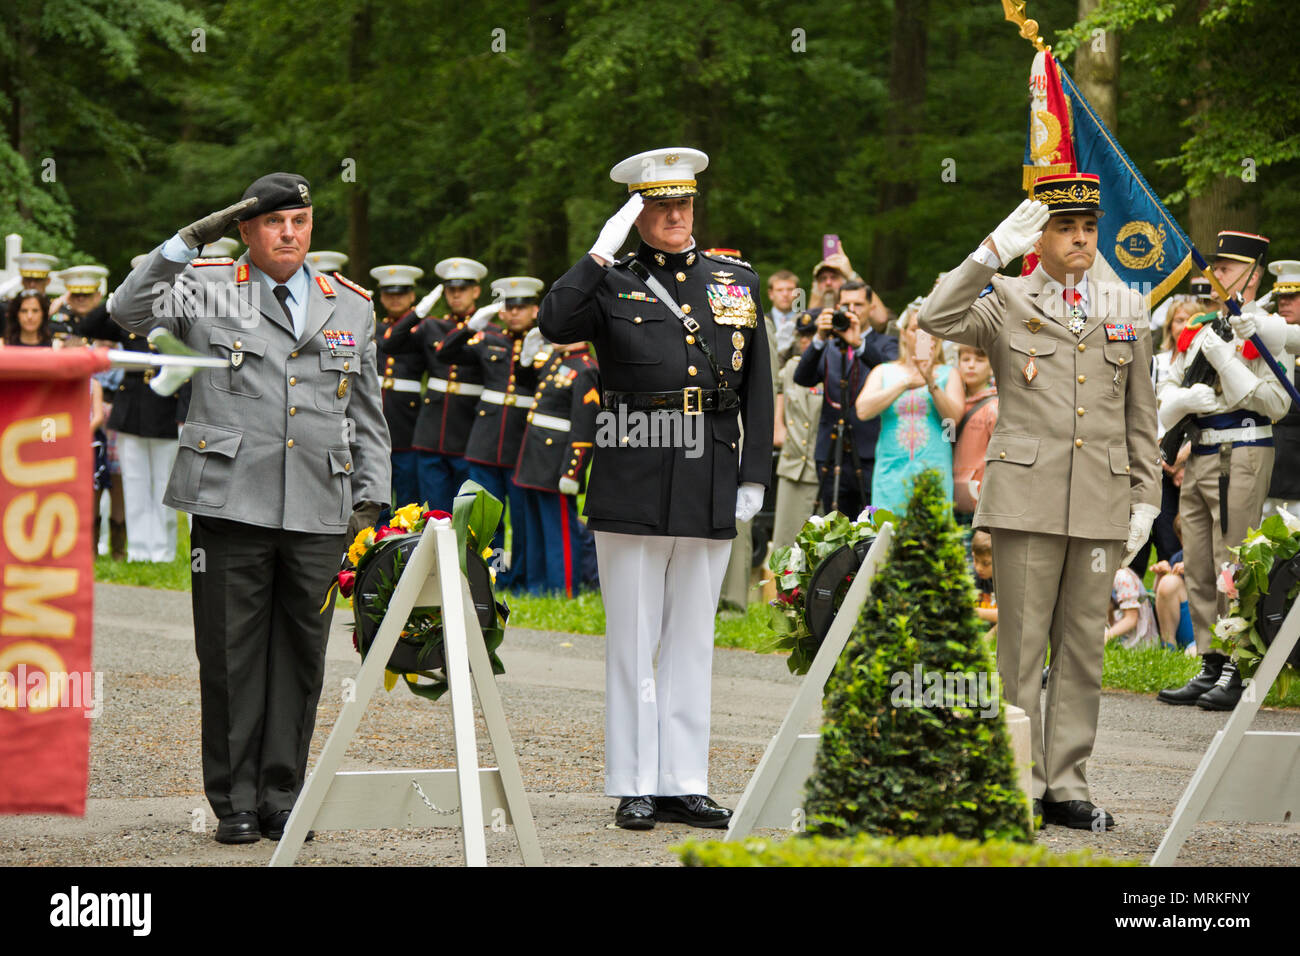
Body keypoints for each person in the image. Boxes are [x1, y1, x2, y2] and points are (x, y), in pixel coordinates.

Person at [108, 172, 390, 844]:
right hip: (231, 500)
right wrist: (186, 239)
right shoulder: (207, 288)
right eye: (272, 223)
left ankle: (281, 795)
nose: (287, 234)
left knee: (301, 655)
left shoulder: (347, 303)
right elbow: (127, 309)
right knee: (231, 654)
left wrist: (373, 497)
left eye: (298, 221)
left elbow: (368, 413)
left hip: (321, 505)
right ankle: (233, 801)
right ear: (244, 229)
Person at [538, 147, 773, 831]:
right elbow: (554, 321)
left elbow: (757, 381)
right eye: (658, 204)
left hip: (709, 471)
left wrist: (753, 473)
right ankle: (635, 780)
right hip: (634, 466)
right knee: (633, 637)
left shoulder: (734, 280)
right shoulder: (611, 280)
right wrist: (600, 250)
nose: (674, 214)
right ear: (638, 211)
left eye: (683, 202)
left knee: (693, 637)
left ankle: (683, 780)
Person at [919, 173, 1160, 830]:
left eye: (1088, 228)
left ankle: (1066, 783)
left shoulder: (1126, 306)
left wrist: (1147, 498)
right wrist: (989, 252)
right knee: (1021, 648)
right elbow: (935, 317)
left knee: (1084, 647)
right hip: (1027, 497)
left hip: (1102, 499)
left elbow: (1142, 411)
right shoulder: (1005, 297)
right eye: (1065, 227)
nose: (1080, 239)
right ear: (1041, 236)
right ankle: (1013, 778)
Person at [1156, 231, 1290, 710]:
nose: (1218, 276)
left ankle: (1239, 663)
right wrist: (1182, 401)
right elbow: (1167, 385)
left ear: (1253, 275)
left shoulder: (1266, 330)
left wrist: (1227, 361)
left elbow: (1276, 404)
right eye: (1216, 267)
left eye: (1230, 268)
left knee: (1232, 563)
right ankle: (1211, 661)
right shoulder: (1201, 326)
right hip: (1200, 453)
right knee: (1196, 560)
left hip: (1244, 450)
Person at [437, 276, 544, 588]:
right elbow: (445, 355)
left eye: (521, 307)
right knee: (486, 520)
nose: (514, 313)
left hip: (524, 444)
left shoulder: (545, 343)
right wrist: (470, 327)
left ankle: (520, 577)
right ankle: (490, 573)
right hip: (485, 442)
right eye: (508, 307)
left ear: (535, 309)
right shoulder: (489, 338)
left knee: (522, 520)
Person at [379, 257, 488, 513]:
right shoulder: (431, 327)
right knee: (433, 513)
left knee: (468, 512)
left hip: (468, 427)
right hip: (433, 429)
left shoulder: (489, 329)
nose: (456, 295)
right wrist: (417, 313)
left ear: (476, 291)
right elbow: (391, 344)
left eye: (462, 289)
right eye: (451, 290)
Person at [793, 279, 899, 518]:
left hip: (871, 451)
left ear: (872, 307)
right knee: (835, 526)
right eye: (846, 304)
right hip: (831, 450)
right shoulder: (827, 346)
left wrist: (858, 344)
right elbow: (802, 378)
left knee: (873, 524)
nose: (852, 310)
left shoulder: (886, 343)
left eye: (859, 304)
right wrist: (819, 339)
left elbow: (891, 374)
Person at [855, 302, 964, 516]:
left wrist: (931, 383)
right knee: (886, 539)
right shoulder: (884, 371)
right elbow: (863, 410)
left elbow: (953, 419)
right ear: (904, 334)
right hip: (891, 474)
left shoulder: (948, 373)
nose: (923, 335)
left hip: (933, 472)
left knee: (932, 541)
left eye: (929, 329)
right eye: (916, 329)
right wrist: (904, 384)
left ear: (937, 337)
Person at [512, 335, 600, 596]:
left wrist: (572, 471)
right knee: (536, 527)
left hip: (557, 462)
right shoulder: (555, 359)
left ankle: (562, 587)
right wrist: (526, 359)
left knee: (558, 530)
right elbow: (526, 384)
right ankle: (537, 585)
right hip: (535, 456)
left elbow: (585, 427)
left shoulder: (586, 368)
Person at [368, 263, 427, 514]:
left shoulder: (424, 329)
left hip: (408, 424)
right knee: (374, 498)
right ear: (381, 297)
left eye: (401, 294)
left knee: (407, 500)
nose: (395, 299)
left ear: (412, 296)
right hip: (375, 421)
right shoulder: (371, 328)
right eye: (390, 294)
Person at [771, 311, 823, 551]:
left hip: (819, 467)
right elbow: (778, 408)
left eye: (811, 334)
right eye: (802, 335)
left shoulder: (832, 367)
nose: (805, 340)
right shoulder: (792, 368)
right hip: (792, 467)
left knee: (820, 548)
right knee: (785, 548)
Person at [1263, 259, 1300, 522]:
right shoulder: (1269, 345)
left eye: (1293, 296)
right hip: (1269, 457)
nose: (1284, 303)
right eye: (1281, 297)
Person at [952, 344, 998, 522]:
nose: (971, 365)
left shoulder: (994, 406)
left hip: (979, 503)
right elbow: (948, 439)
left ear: (992, 367)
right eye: (965, 359)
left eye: (979, 360)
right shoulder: (951, 405)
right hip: (951, 498)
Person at [1105, 565, 1160, 649]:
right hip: (1117, 632)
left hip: (1139, 642)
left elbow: (1131, 619)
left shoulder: (1123, 578)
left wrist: (1106, 636)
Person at [767, 269, 801, 360]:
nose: (785, 294)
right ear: (771, 294)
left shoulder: (804, 321)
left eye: (790, 289)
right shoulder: (760, 322)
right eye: (779, 290)